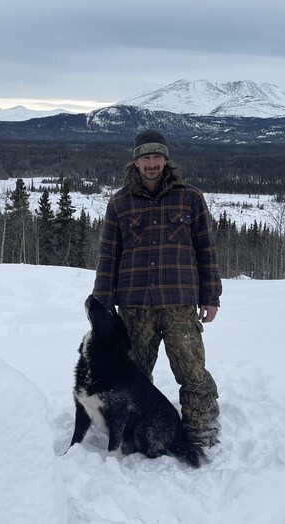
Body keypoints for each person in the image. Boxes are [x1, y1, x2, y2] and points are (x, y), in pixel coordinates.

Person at [92, 129, 222, 448]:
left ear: (166, 159)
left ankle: (201, 428)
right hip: (134, 307)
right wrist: (102, 307)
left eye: (157, 156)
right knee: (131, 374)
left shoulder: (190, 197)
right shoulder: (120, 203)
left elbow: (206, 249)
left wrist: (211, 297)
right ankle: (134, 426)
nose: (151, 163)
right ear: (136, 161)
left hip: (180, 305)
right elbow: (108, 257)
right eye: (145, 157)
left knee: (192, 372)